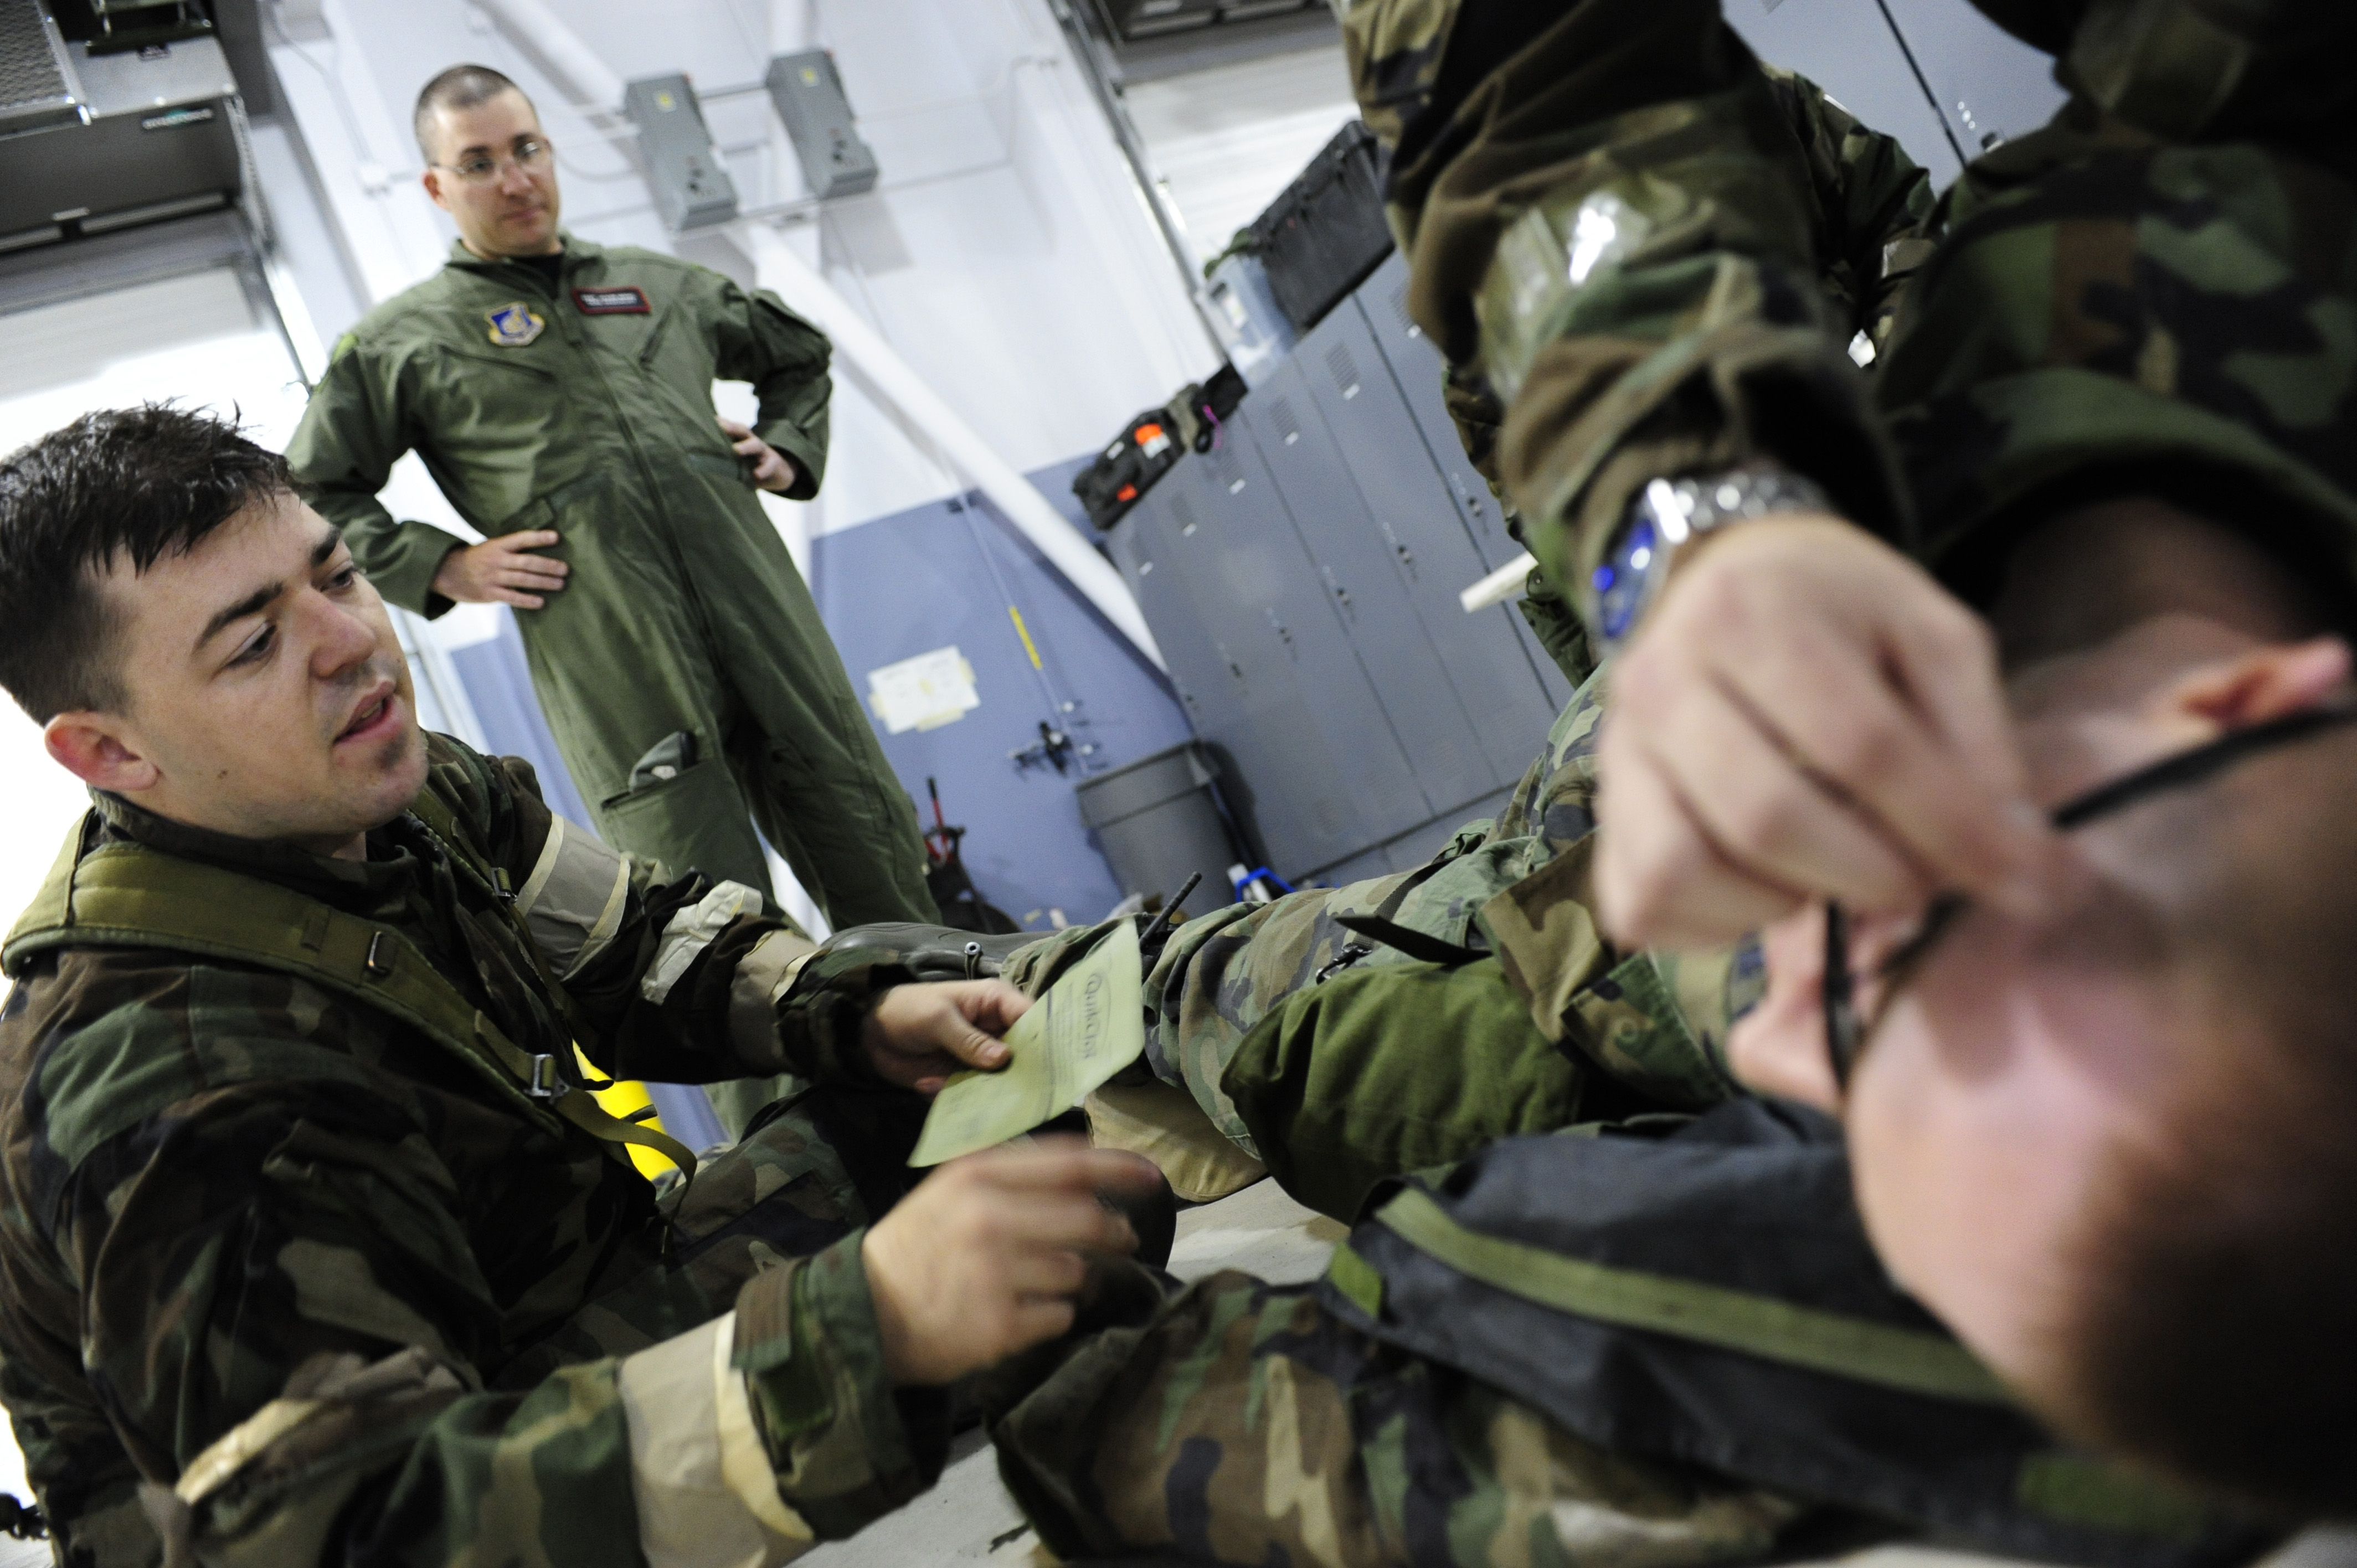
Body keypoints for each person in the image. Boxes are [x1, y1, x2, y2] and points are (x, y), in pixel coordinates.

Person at [963, 0, 2357, 1539]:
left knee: (1291, 1038)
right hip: (1694, 701)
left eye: (1831, 1115)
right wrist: (1696, 503)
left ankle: (1049, 997)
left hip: (1557, 949)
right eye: (1907, 974)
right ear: (2240, 704)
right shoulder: (2236, 169)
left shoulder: (2145, 1193)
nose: (1784, 1061)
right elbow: (1541, 53)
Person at [0, 406, 1160, 1568]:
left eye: (338, 574)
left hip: (557, 1306)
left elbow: (639, 942)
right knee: (1016, 1265)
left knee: (1020, 1156)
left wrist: (850, 1009)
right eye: (253, 646)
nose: (352, 641)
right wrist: (867, 1333)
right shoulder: (167, 1080)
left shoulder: (405, 796)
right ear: (111, 756)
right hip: (411, 1471)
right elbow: (347, 1534)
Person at [284, 63, 938, 1134]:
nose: (514, 179)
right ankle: (811, 1191)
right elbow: (312, 490)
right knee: (711, 941)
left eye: (527, 149)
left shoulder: (659, 285)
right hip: (615, 666)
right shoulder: (401, 344)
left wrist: (786, 448)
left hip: (767, 630)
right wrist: (439, 564)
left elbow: (799, 358)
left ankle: (969, 1111)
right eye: (479, 163)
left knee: (876, 859)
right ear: (436, 189)